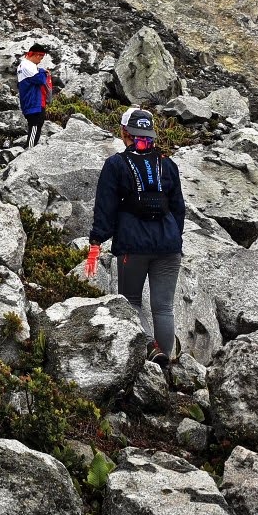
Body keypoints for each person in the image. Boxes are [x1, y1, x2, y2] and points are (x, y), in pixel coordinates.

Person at [85, 107, 187, 367]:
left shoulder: (116, 164)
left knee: (131, 302)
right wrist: (173, 237)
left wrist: (96, 241)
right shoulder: (167, 164)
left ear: (124, 132)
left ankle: (151, 351)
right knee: (163, 308)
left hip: (133, 245)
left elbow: (105, 207)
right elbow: (178, 208)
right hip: (168, 245)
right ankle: (167, 366)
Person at [17, 43, 54, 147]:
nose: (40, 61)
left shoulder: (22, 66)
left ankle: (29, 147)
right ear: (37, 55)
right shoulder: (27, 65)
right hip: (33, 103)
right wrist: (42, 71)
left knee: (35, 126)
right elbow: (40, 80)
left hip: (31, 102)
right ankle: (29, 150)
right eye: (41, 58)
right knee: (35, 126)